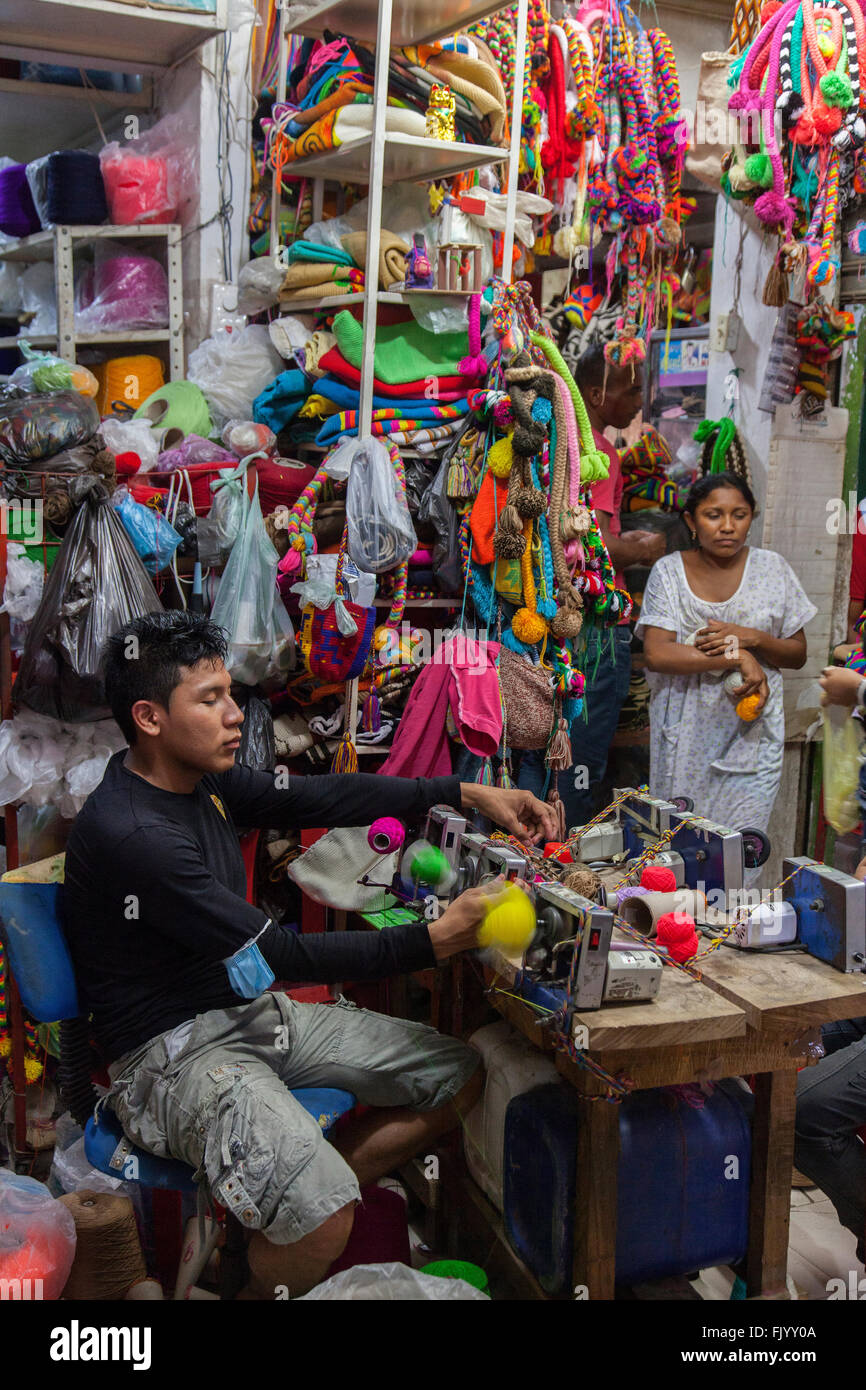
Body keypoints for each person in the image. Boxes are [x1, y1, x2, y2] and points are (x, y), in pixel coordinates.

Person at [62, 611, 557, 1299]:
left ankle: (276, 1219)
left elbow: (325, 792)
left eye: (230, 693)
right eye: (210, 700)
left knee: (458, 1074)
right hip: (169, 1059)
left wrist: (464, 791)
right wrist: (437, 939)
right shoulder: (135, 834)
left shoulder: (198, 777)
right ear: (149, 717)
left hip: (245, 1015)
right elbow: (284, 953)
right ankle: (273, 1257)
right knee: (324, 1219)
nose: (235, 714)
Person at [516, 343, 665, 830]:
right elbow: (590, 546)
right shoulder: (596, 453)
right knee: (580, 759)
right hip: (596, 626)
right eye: (633, 389)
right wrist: (643, 549)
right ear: (597, 394)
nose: (640, 400)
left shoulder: (555, 438)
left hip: (552, 616)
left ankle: (533, 848)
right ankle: (564, 859)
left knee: (544, 750)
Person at [635, 471, 816, 849]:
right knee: (680, 848)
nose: (728, 526)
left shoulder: (773, 569)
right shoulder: (670, 571)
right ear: (691, 521)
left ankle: (736, 911)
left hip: (752, 735)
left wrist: (756, 638)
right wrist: (737, 656)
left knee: (741, 850)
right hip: (685, 736)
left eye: (740, 514)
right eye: (713, 515)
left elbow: (797, 653)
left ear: (752, 517)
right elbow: (657, 652)